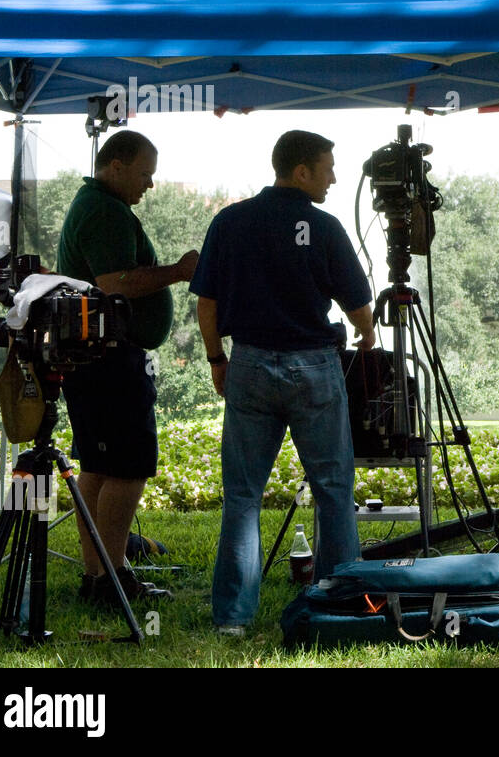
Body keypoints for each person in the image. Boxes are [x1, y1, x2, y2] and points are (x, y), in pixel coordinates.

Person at [191, 130, 375, 634]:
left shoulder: (230, 221)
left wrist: (216, 360)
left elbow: (206, 304)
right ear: (302, 172)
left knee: (243, 496)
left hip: (248, 363)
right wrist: (365, 333)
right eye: (328, 167)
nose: (335, 177)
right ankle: (339, 605)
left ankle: (232, 618)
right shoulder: (324, 226)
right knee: (333, 490)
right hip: (314, 366)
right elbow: (358, 306)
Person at [57, 129, 198, 604]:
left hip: (96, 358)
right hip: (109, 360)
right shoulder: (103, 210)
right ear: (115, 166)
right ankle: (113, 576)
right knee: (126, 467)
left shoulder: (98, 205)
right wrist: (178, 272)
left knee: (98, 466)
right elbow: (114, 282)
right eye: (144, 174)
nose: (149, 185)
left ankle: (97, 576)